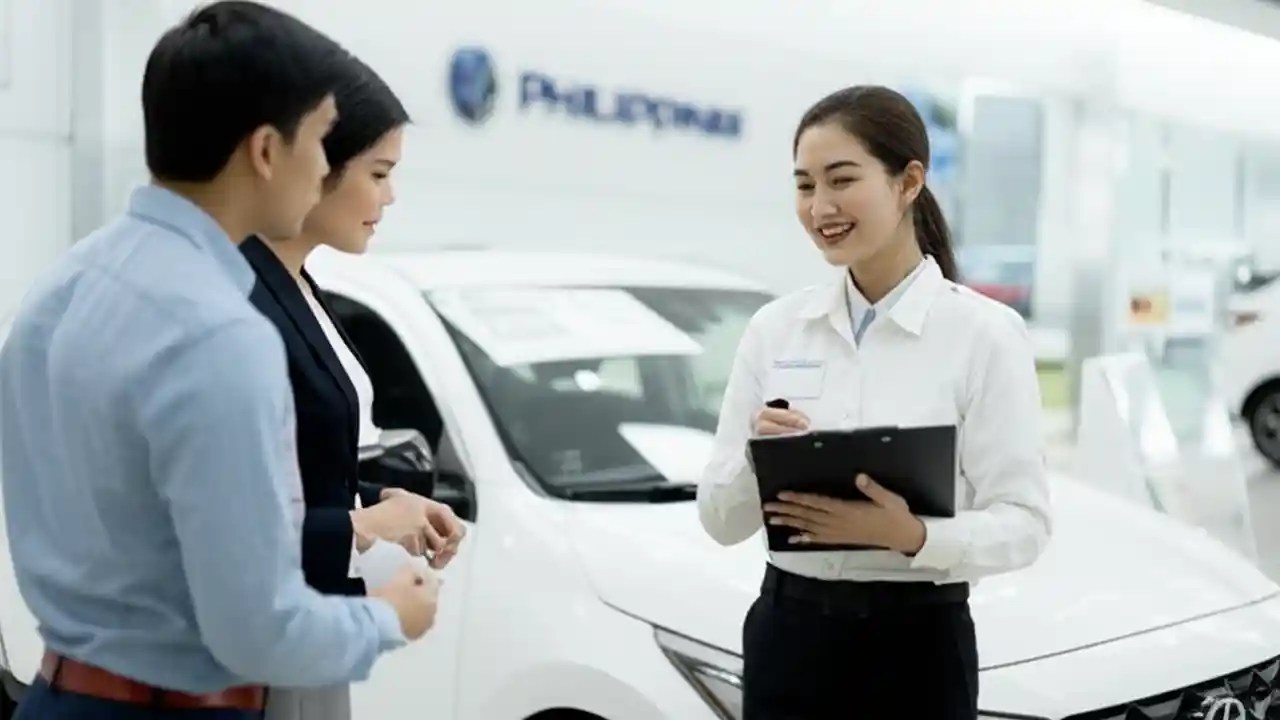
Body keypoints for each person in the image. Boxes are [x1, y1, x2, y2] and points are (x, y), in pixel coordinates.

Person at [0, 4, 438, 719]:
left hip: (58, 695)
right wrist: (391, 616)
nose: (328, 167)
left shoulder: (59, 290)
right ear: (267, 151)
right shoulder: (218, 334)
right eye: (325, 140)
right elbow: (259, 629)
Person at [697, 85, 1052, 719]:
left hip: (917, 649)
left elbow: (1026, 524)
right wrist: (759, 460)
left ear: (908, 181)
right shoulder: (775, 330)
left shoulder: (984, 335)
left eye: (841, 179)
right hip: (789, 636)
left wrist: (912, 535)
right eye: (805, 186)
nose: (820, 207)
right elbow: (721, 524)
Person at [239, 56, 466, 720]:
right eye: (379, 174)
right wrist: (360, 526)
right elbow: (228, 519)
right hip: (260, 645)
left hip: (313, 622)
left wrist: (383, 501)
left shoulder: (303, 286)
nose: (389, 198)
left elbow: (299, 472)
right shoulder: (238, 300)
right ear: (311, 163)